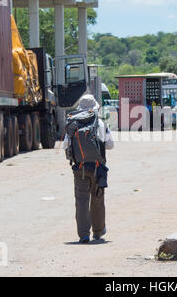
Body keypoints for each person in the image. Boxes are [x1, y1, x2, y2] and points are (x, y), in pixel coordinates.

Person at [65, 94, 115, 244]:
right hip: (97, 168)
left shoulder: (73, 123)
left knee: (81, 201)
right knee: (97, 199)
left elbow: (66, 146)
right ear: (95, 108)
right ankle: (98, 232)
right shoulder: (100, 123)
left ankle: (83, 234)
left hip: (79, 168)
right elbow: (110, 145)